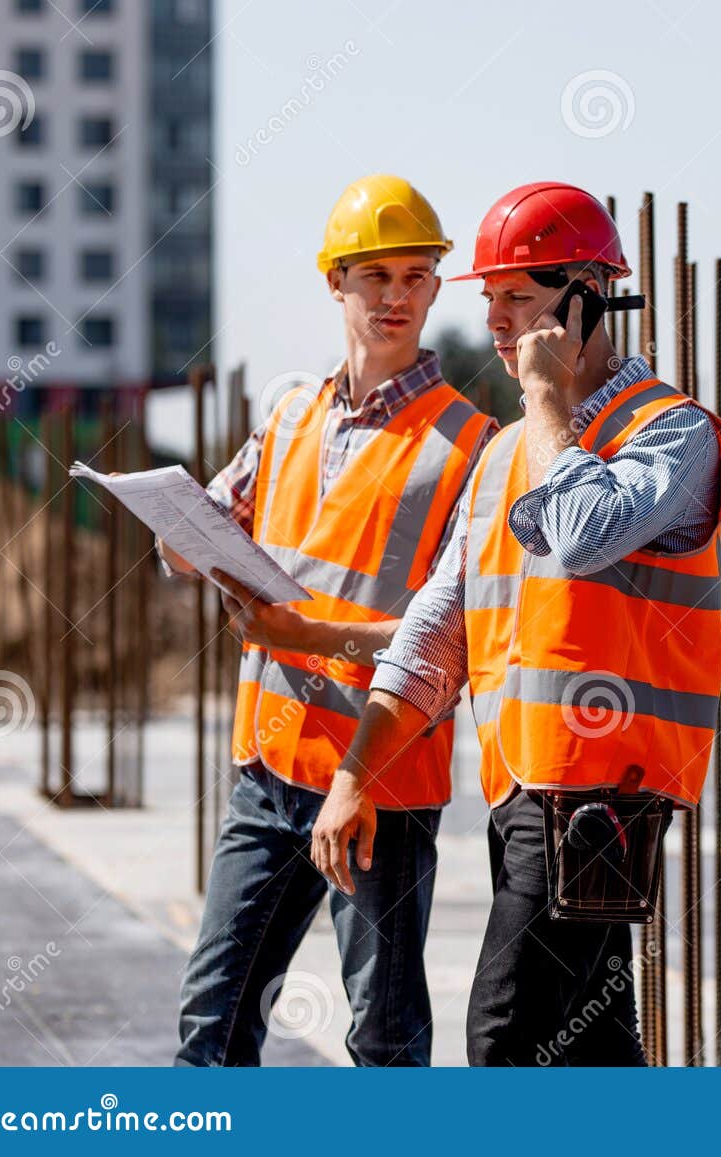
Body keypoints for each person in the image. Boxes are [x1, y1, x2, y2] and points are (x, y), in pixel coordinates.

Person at [311, 182, 721, 1065]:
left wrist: (549, 402)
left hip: (606, 801)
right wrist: (355, 773)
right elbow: (439, 627)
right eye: (490, 299)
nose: (500, 323)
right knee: (592, 1050)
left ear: (589, 293)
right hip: (523, 798)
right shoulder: (507, 453)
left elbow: (584, 537)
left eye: (521, 298)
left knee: (504, 1037)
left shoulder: (672, 432)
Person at [164, 174, 498, 1066]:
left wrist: (313, 639)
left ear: (434, 286)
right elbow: (199, 537)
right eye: (375, 275)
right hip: (270, 764)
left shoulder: (470, 443)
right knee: (214, 1020)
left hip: (380, 777)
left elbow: (458, 632)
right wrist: (179, 534)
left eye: (416, 275)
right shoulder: (288, 418)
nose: (396, 296)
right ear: (335, 282)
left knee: (383, 1041)